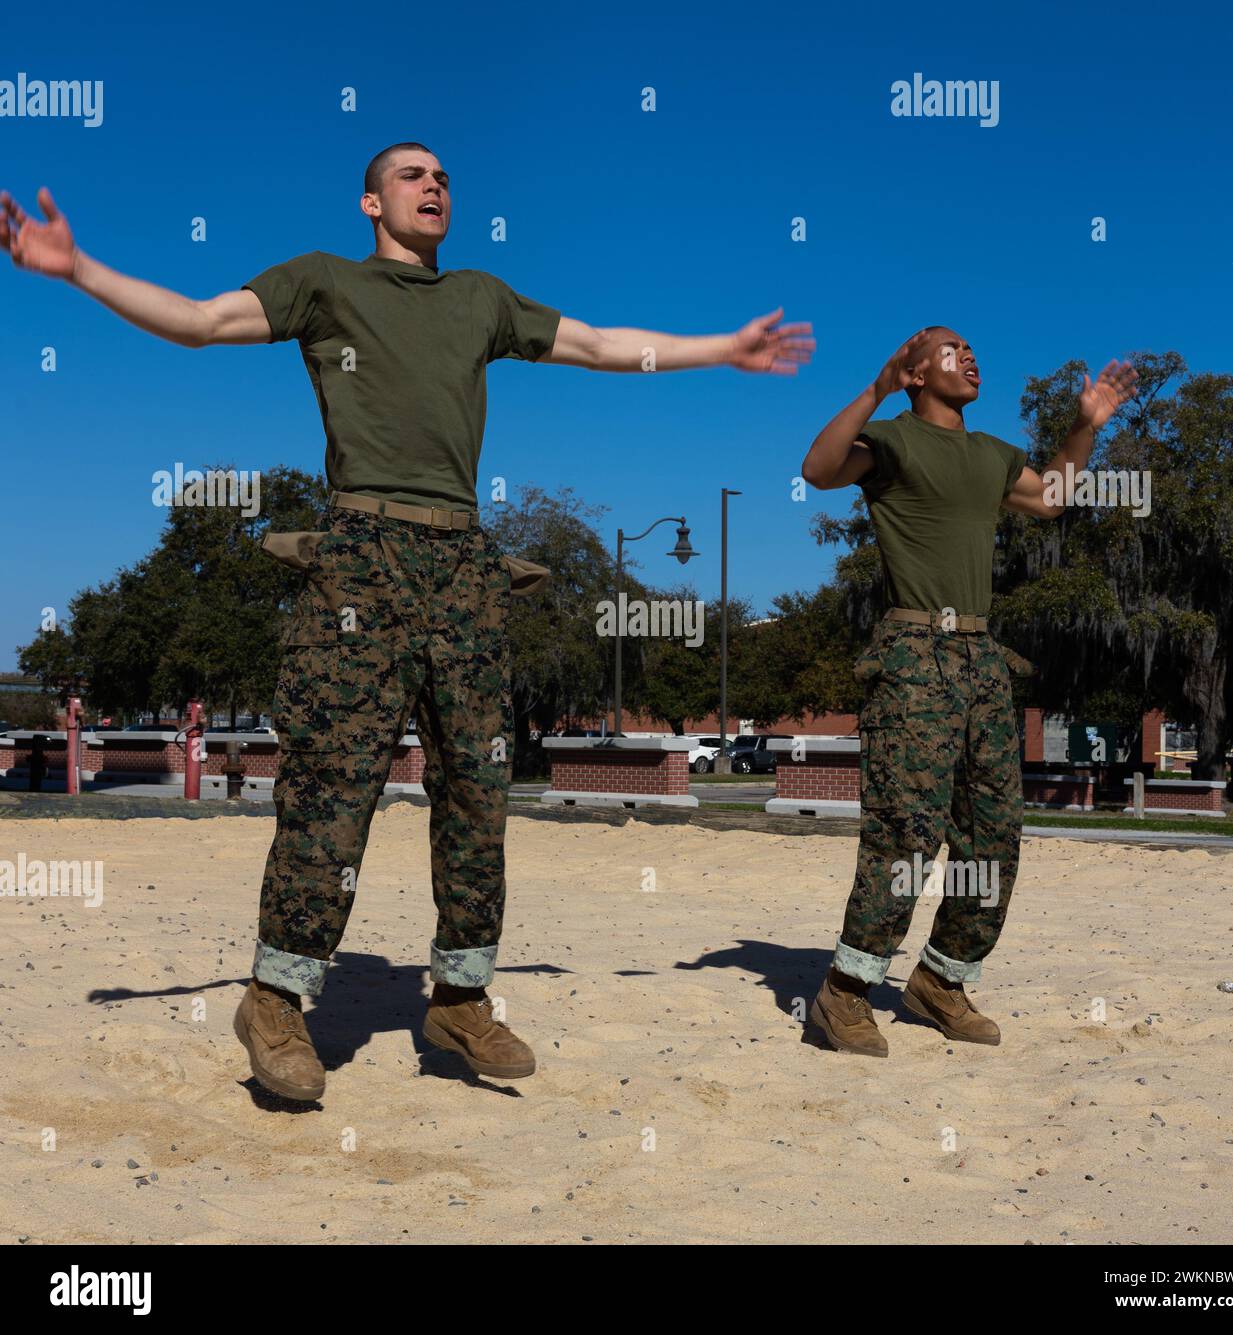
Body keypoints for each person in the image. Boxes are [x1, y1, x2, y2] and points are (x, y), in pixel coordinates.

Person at [2, 143, 814, 1102]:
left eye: (444, 178)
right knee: (335, 783)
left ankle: (462, 994)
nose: (434, 186)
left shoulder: (480, 297)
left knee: (478, 784)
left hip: (466, 564)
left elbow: (598, 343)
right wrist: (79, 267)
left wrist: (722, 348)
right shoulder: (325, 283)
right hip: (362, 557)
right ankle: (275, 997)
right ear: (369, 200)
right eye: (411, 175)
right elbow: (203, 321)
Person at [800, 327, 1136, 1056]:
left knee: (993, 832)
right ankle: (845, 990)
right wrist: (875, 387)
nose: (971, 357)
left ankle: (940, 980)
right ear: (917, 372)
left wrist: (1084, 426)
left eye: (974, 349)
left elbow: (1051, 497)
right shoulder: (889, 440)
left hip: (982, 658)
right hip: (913, 655)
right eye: (952, 350)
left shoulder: (989, 455)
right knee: (907, 831)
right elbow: (819, 467)